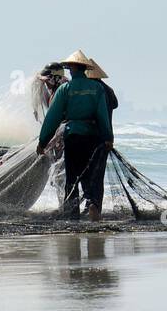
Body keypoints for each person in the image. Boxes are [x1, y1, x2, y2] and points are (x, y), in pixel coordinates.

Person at [36, 50, 112, 220]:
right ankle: (92, 204)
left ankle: (72, 214)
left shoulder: (65, 89)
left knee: (72, 177)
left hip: (72, 136)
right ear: (85, 68)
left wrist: (43, 141)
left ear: (72, 68)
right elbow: (102, 116)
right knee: (89, 174)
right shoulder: (97, 88)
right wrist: (108, 138)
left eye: (70, 67)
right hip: (92, 137)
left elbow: (52, 118)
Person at [83, 59, 119, 217]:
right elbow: (116, 104)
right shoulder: (109, 90)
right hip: (105, 138)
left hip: (90, 137)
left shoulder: (93, 91)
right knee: (98, 174)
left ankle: (89, 203)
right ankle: (96, 206)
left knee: (85, 172)